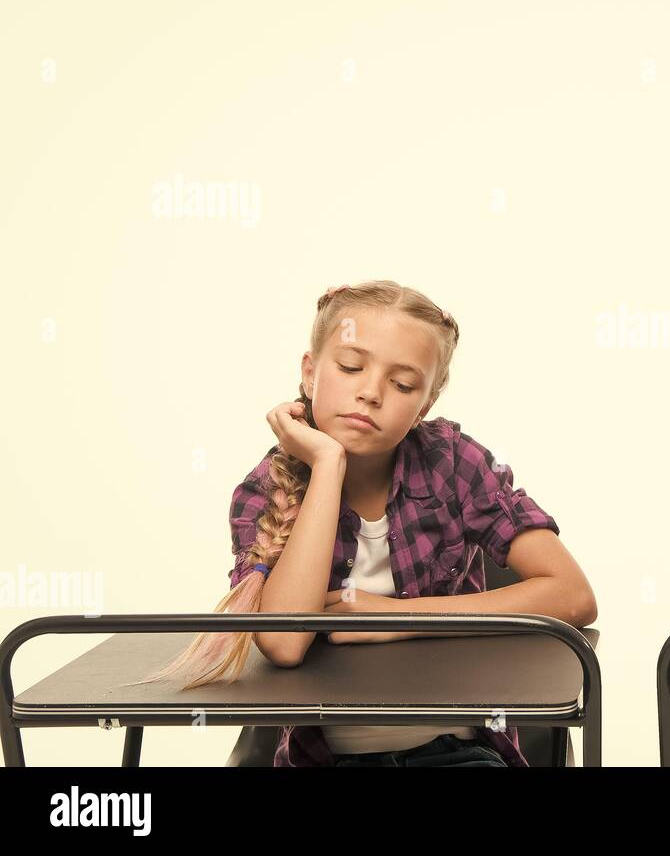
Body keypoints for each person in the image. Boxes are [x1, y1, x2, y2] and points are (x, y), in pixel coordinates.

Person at [134, 280, 596, 767]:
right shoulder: (264, 488)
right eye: (351, 367)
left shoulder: (453, 464)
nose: (371, 393)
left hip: (456, 755)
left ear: (426, 405)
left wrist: (394, 619)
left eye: (402, 384)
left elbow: (573, 595)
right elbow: (285, 643)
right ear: (310, 373)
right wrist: (328, 465)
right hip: (328, 760)